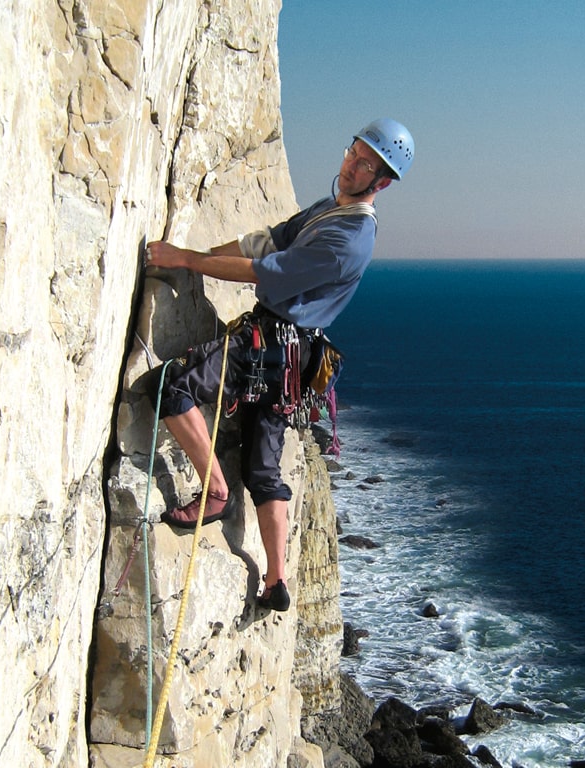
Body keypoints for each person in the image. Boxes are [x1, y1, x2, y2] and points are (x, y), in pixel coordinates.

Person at [145, 118, 414, 611]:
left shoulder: (351, 239)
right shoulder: (331, 210)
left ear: (382, 182)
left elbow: (264, 271)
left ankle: (216, 492)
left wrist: (186, 260)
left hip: (271, 344)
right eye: (353, 152)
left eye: (365, 164)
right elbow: (264, 242)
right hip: (292, 355)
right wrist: (199, 256)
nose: (351, 164)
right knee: (264, 468)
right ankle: (275, 578)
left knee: (172, 386)